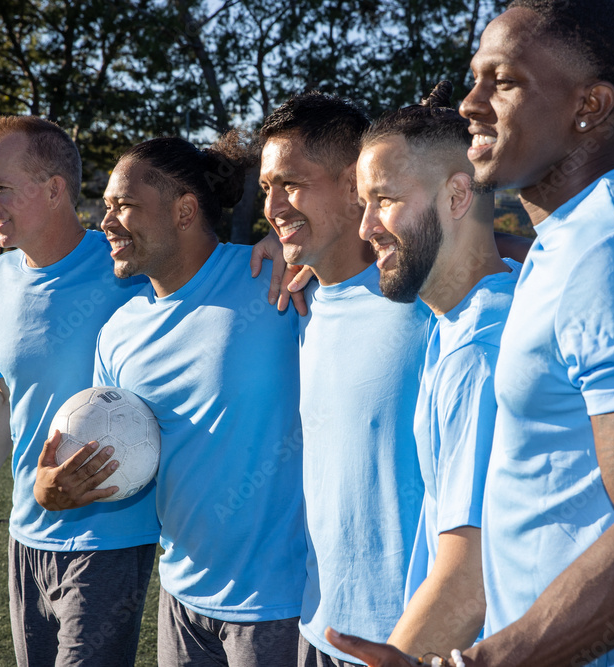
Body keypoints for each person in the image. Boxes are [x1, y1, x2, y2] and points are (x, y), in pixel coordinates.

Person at [327, 0, 614, 665]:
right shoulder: (572, 241)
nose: (470, 102)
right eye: (474, 77)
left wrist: (477, 661)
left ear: (590, 105)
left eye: (505, 81)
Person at [34, 132, 307, 666]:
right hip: (181, 601)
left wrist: (297, 244)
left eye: (126, 206)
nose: (106, 222)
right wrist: (58, 488)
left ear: (185, 210)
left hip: (280, 603)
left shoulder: (273, 279)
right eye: (106, 206)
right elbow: (119, 459)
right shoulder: (117, 331)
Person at [0, 115, 159, 667]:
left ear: (54, 189)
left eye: (0, 187)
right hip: (27, 533)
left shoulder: (130, 267)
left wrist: (274, 249)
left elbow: (214, 264)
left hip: (110, 536)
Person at [258, 92, 431, 667]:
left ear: (356, 184)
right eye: (266, 188)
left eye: (291, 183)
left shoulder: (430, 303)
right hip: (321, 630)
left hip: (413, 642)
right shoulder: (304, 302)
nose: (274, 204)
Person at [355, 81, 520, 658]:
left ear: (456, 198)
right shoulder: (461, 321)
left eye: (384, 200)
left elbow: (467, 583)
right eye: (363, 204)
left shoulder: (481, 349)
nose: (366, 227)